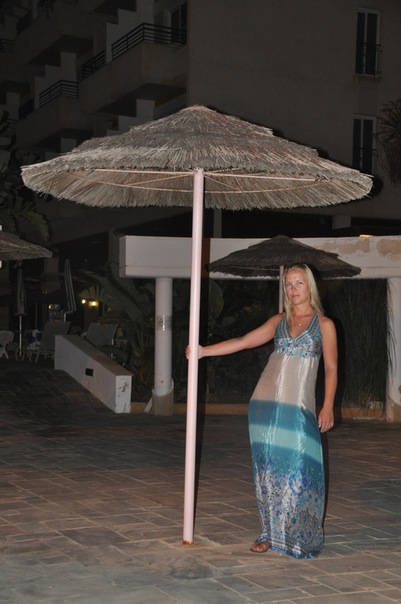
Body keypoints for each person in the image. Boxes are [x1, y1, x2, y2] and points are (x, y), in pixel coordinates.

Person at [185, 264, 337, 559]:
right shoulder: (279, 321)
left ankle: (299, 535)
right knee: (268, 472)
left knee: (301, 470)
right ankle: (269, 533)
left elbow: (331, 367)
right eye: (288, 284)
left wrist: (328, 404)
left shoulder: (324, 324)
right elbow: (244, 341)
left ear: (310, 286)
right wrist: (204, 351)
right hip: (265, 405)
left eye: (299, 283)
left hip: (299, 407)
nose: (293, 289)